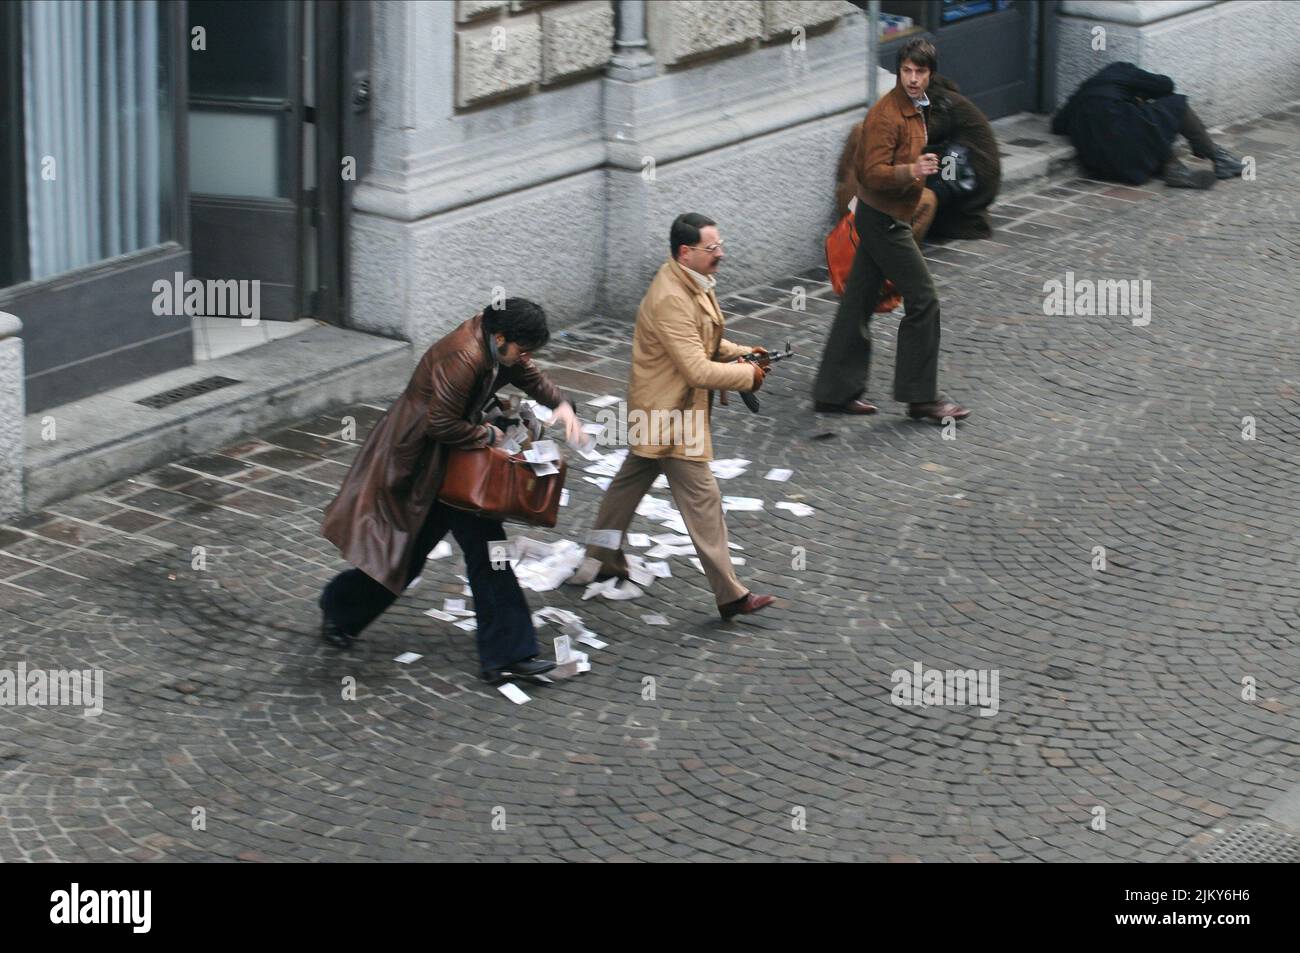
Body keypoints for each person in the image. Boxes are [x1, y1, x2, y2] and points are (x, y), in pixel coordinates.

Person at [318, 298, 585, 684]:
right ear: (500, 337)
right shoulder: (463, 358)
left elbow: (525, 371)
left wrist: (560, 405)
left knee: (412, 553)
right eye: (520, 349)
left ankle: (341, 607)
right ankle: (508, 654)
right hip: (428, 463)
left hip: (452, 465)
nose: (523, 357)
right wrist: (488, 433)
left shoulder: (497, 344)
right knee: (487, 553)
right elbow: (440, 424)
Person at [568, 213, 777, 621]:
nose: (721, 254)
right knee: (704, 499)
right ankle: (730, 594)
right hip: (670, 417)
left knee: (626, 488)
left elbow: (705, 342)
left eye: (719, 245)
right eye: (712, 248)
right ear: (686, 252)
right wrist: (747, 377)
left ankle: (600, 556)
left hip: (664, 411)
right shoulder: (671, 298)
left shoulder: (691, 283)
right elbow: (696, 370)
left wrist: (742, 353)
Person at [813, 38, 971, 423]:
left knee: (858, 301)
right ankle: (922, 399)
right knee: (924, 299)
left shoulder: (918, 107)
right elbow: (869, 172)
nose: (913, 79)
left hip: (887, 213)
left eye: (920, 72)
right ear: (899, 71)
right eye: (906, 71)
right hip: (883, 218)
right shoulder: (887, 115)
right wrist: (912, 171)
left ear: (930, 75)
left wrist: (916, 163)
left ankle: (833, 393)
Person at [1052, 61, 1245, 190]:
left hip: (1101, 165)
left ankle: (1174, 169)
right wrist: (1144, 92)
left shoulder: (1081, 96)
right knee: (1175, 105)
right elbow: (1166, 85)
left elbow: (1057, 125)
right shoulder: (1122, 69)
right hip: (1123, 137)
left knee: (1146, 123)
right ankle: (1218, 157)